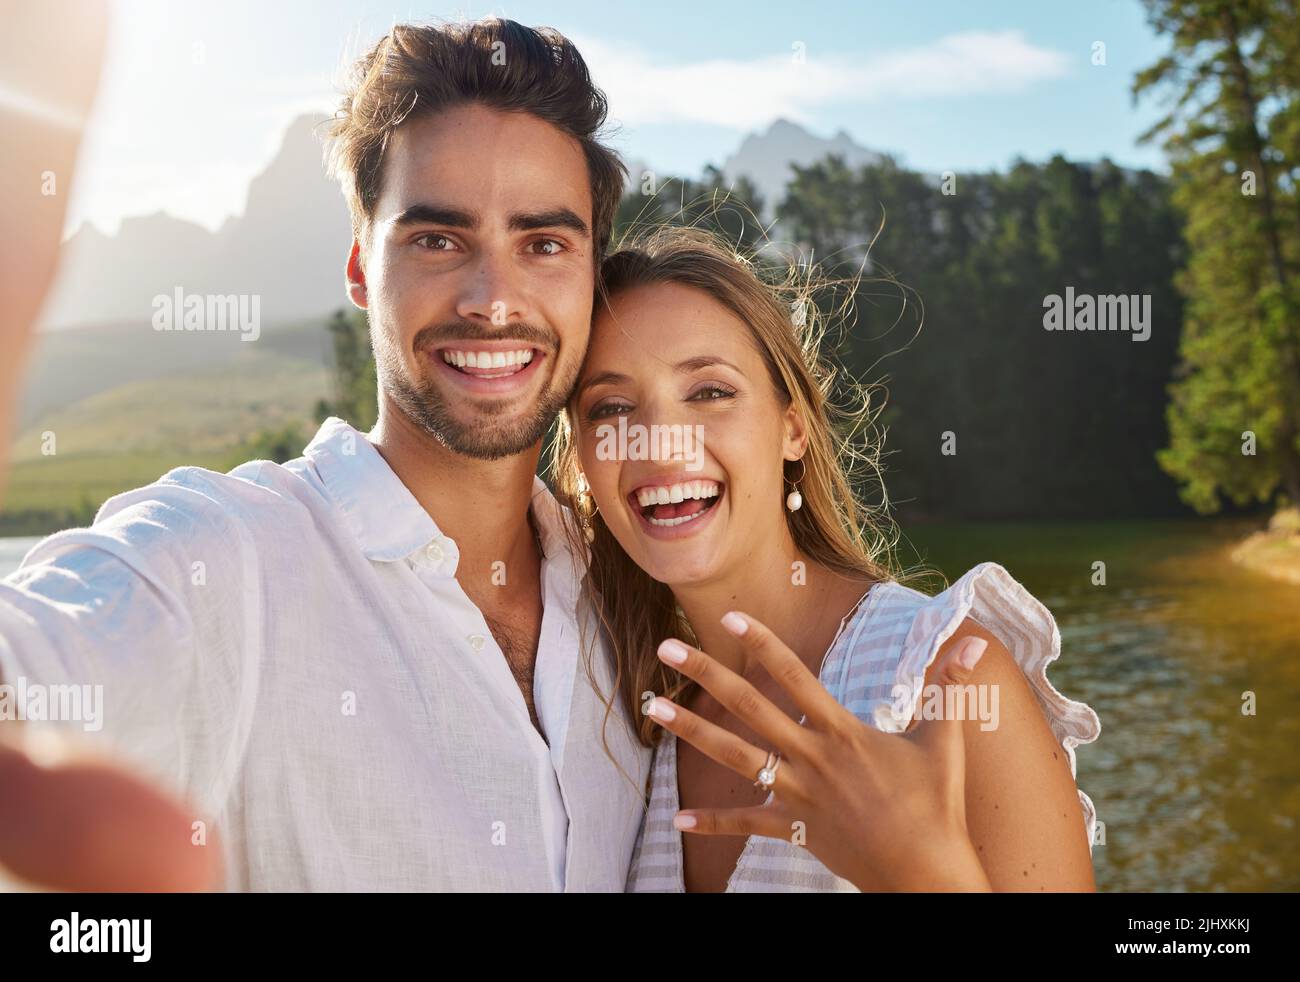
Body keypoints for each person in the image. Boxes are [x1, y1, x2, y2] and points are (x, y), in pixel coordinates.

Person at [0, 17, 650, 891]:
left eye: (543, 243)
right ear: (360, 268)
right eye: (438, 240)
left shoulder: (635, 589)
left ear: (591, 275)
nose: (495, 301)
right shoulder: (223, 559)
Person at [549, 226, 1103, 891]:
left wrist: (920, 870)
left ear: (793, 428)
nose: (661, 443)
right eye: (611, 407)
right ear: (582, 462)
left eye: (710, 392)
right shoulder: (637, 738)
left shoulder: (943, 679)